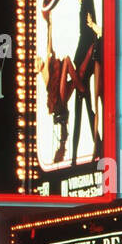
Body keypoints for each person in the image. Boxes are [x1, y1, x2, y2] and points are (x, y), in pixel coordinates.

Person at [37, 12, 87, 163]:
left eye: (36, 59)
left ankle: (92, 52)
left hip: (61, 98)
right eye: (35, 61)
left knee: (80, 72)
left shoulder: (49, 60)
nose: (37, 59)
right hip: (58, 100)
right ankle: (82, 90)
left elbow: (49, 44)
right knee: (66, 61)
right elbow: (48, 47)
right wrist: (49, 24)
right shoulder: (44, 72)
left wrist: (50, 24)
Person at [71, 0, 101, 163]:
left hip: (86, 52)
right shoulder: (83, 2)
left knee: (84, 105)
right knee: (84, 105)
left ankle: (95, 147)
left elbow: (88, 30)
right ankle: (96, 145)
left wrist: (79, 56)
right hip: (85, 52)